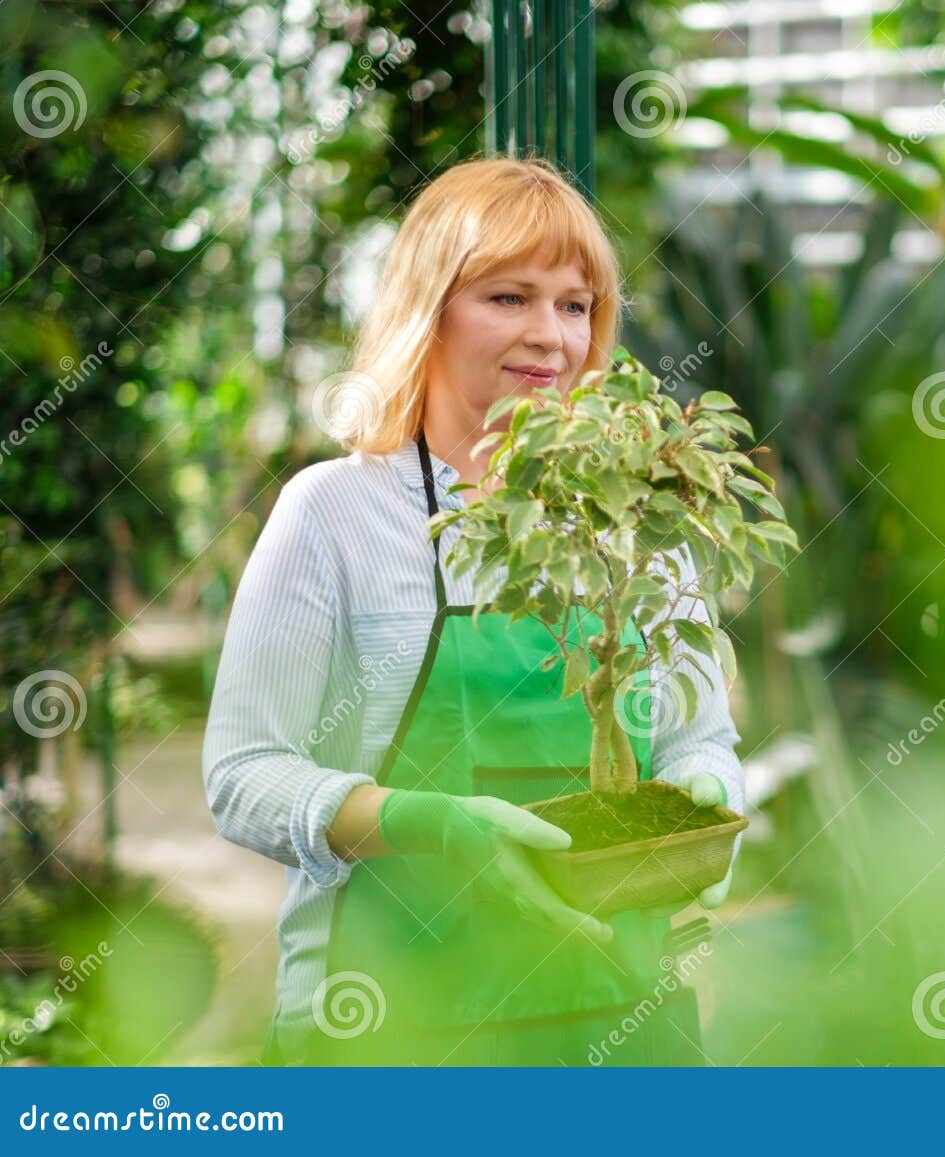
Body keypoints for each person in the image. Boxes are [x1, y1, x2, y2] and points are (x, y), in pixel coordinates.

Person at [201, 156, 743, 1066]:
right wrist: (429, 823)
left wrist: (712, 795)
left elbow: (699, 739)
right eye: (509, 297)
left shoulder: (642, 518)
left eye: (575, 306)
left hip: (624, 1018)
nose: (551, 337)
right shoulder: (336, 511)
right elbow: (244, 774)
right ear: (431, 310)